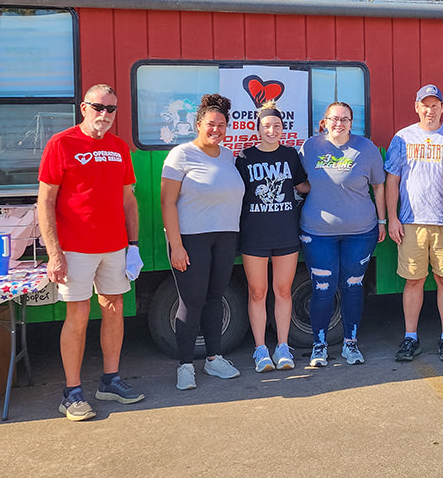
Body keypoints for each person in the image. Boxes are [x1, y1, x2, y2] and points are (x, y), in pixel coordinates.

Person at [37, 84, 144, 421]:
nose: (104, 115)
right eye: (98, 107)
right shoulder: (61, 144)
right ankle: (72, 393)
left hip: (114, 247)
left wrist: (134, 245)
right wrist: (54, 253)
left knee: (114, 308)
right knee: (78, 315)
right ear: (83, 108)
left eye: (111, 109)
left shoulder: (119, 148)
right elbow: (45, 201)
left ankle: (110, 381)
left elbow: (129, 199)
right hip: (75, 248)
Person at [161, 93, 245, 390]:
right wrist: (177, 245)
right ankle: (185, 366)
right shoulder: (181, 154)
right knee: (191, 301)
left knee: (214, 298)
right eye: (211, 124)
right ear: (198, 124)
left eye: (222, 125)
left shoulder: (227, 155)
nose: (216, 130)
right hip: (191, 239)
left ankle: (213, 359)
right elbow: (167, 203)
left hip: (225, 237)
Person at [299, 102, 387, 367]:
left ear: (352, 123)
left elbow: (379, 186)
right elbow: (300, 181)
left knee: (352, 287)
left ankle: (351, 343)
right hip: (318, 231)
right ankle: (319, 346)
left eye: (345, 119)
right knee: (323, 288)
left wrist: (382, 221)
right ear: (324, 121)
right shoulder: (310, 147)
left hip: (360, 232)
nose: (339, 123)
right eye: (334, 119)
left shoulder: (366, 148)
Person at [385, 85, 443, 363]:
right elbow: (391, 181)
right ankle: (410, 337)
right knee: (414, 281)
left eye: (435, 105)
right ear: (416, 107)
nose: (429, 110)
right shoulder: (402, 138)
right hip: (411, 223)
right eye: (424, 105)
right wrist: (392, 218)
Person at [235, 101, 309, 373]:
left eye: (277, 125)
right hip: (254, 234)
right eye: (267, 125)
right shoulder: (244, 157)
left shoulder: (290, 155)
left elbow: (303, 185)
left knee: (283, 291)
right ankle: (260, 349)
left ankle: (282, 346)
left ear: (283, 128)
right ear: (257, 128)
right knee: (257, 292)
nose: (272, 130)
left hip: (286, 232)